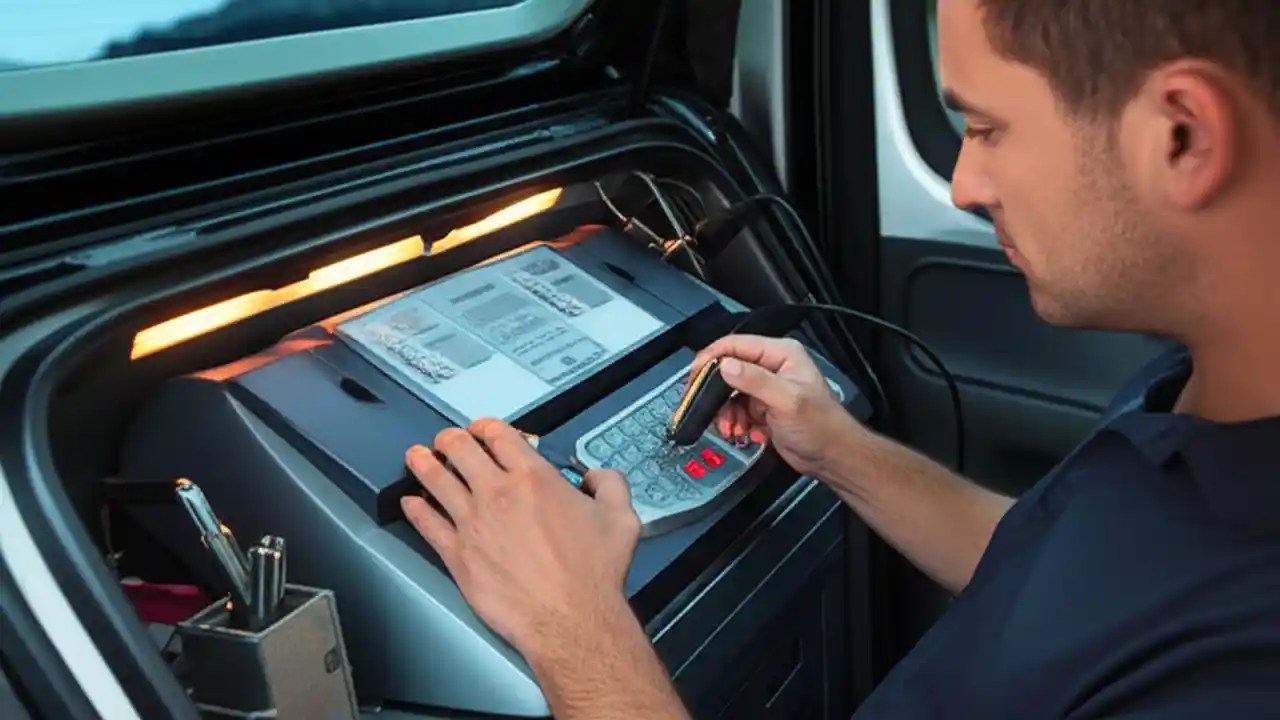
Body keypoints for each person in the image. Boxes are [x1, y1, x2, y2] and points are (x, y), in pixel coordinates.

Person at [398, 0, 1280, 717]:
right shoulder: (1210, 387)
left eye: (987, 127)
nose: (967, 185)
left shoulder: (1241, 670)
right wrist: (840, 451)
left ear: (1182, 137)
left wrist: (578, 634)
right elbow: (1062, 574)